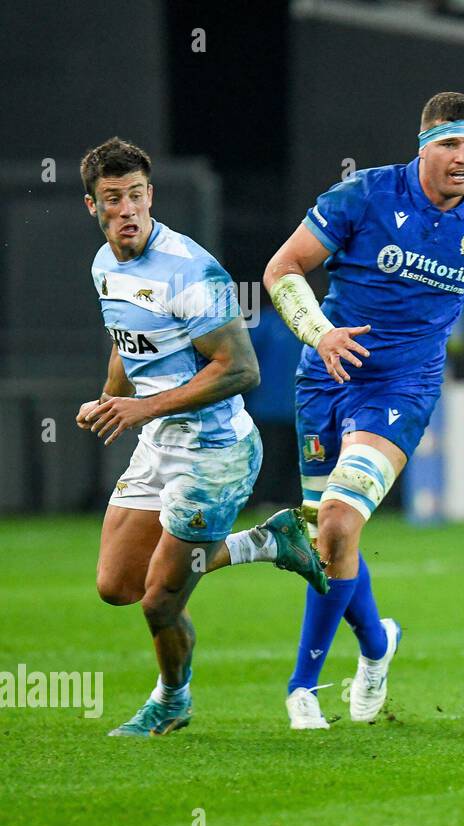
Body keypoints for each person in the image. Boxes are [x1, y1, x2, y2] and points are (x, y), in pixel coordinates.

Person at [263, 92, 464, 729]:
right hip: (324, 377)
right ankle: (377, 647)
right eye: (450, 145)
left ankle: (303, 686)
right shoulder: (364, 195)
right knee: (328, 538)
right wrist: (320, 332)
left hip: (401, 391)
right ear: (423, 146)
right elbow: (281, 268)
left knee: (340, 523)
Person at [78, 137, 327, 737]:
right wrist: (114, 398)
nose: (128, 209)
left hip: (216, 453)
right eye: (113, 199)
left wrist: (143, 409)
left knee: (159, 602)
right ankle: (267, 543)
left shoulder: (190, 269)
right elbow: (125, 338)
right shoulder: (104, 265)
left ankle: (172, 699)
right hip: (158, 441)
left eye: (137, 195)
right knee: (117, 585)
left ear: (151, 196)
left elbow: (242, 370)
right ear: (94, 207)